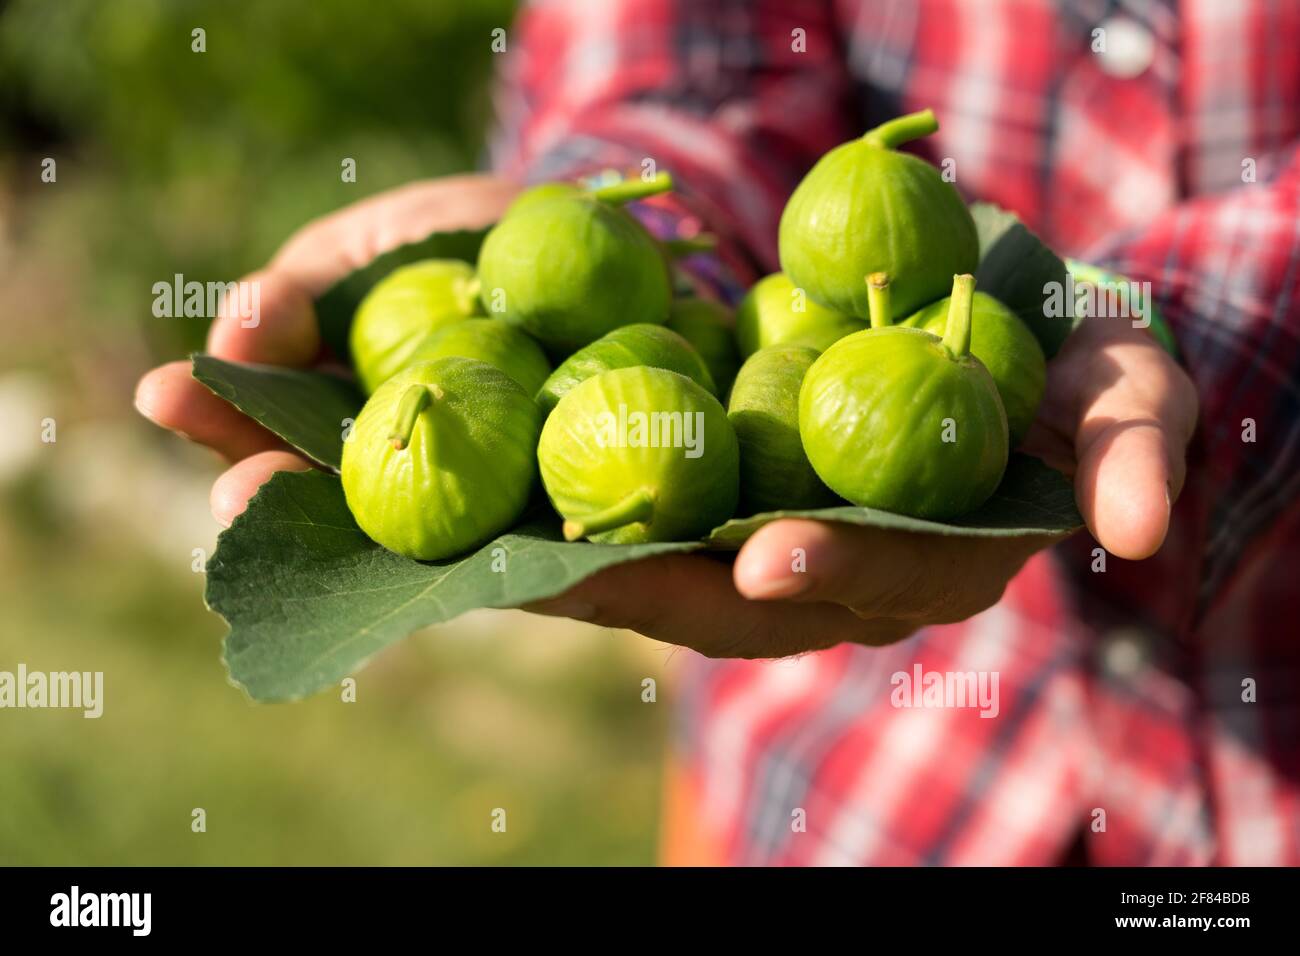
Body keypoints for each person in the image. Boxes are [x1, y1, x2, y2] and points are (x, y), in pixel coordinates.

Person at [135, 1, 1300, 865]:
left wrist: (1204, 317)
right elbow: (689, 53)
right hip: (838, 797)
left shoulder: (937, 355)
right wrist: (639, 202)